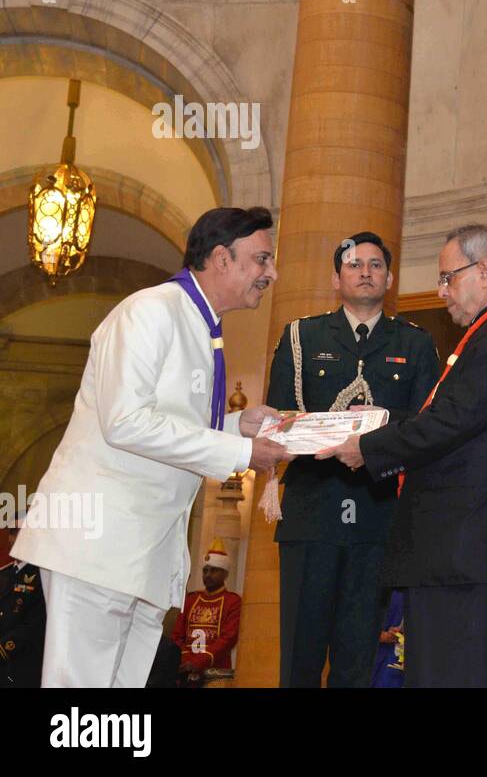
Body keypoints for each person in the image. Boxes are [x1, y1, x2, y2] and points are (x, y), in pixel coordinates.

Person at [12, 206, 290, 687]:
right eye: (262, 259)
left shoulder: (199, 325)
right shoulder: (151, 310)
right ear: (222, 258)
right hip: (100, 543)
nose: (272, 272)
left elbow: (169, 426)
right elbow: (125, 422)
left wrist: (236, 426)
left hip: (141, 552)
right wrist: (242, 455)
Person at [318, 224, 487, 687]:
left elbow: (454, 422)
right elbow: (457, 418)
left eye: (448, 278)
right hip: (458, 550)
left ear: (484, 270)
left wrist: (368, 447)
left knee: (456, 676)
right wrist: (385, 421)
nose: (441, 291)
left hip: (469, 548)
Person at [266, 232, 438, 687]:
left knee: (358, 657)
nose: (365, 271)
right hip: (311, 512)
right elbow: (277, 416)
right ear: (336, 277)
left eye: (376, 264)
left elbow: (429, 426)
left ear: (390, 276)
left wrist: (382, 421)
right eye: (354, 264)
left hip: (378, 517)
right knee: (299, 657)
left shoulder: (416, 343)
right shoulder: (302, 335)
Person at [172, 539, 242, 678]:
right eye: (205, 570)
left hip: (216, 671)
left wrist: (198, 662)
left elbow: (228, 639)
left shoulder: (233, 601)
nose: (208, 575)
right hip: (185, 668)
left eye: (214, 570)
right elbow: (177, 636)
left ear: (225, 573)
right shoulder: (191, 599)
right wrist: (187, 661)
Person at [0, 518, 44, 687]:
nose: (15, 538)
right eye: (12, 532)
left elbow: (34, 625)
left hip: (24, 666)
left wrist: (4, 648)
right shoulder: (4, 573)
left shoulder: (43, 576)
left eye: (21, 533)